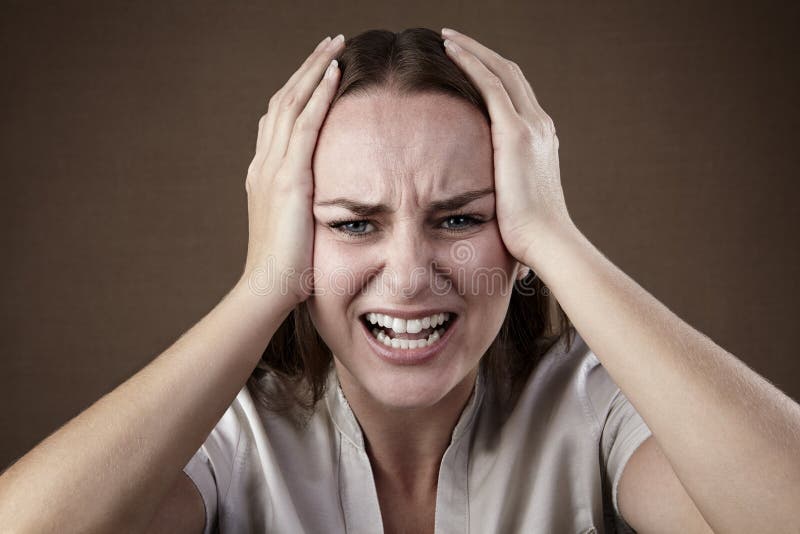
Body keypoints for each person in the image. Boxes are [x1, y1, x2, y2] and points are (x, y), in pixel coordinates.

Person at [1, 26, 798, 534]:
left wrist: (558, 239)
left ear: (516, 235)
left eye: (460, 219)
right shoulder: (232, 438)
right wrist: (262, 287)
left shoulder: (591, 406)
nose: (411, 276)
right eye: (354, 223)